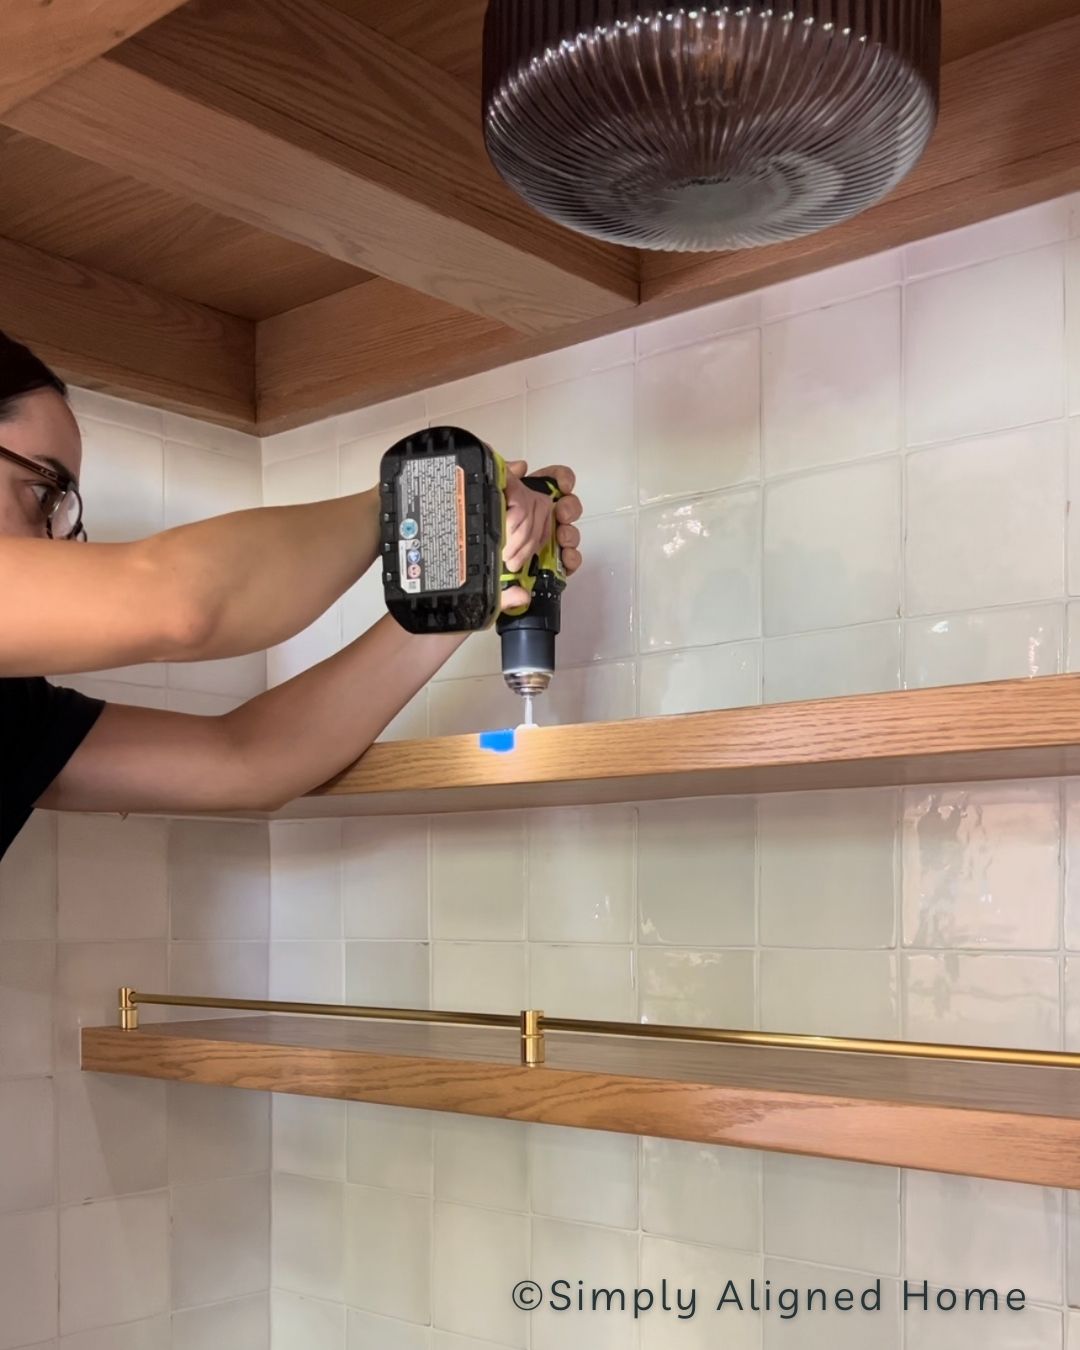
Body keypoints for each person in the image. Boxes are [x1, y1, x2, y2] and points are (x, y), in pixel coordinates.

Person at [0, 333, 583, 860]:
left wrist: (462, 584)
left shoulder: (15, 710)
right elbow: (183, 603)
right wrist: (424, 493)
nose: (56, 540)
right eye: (44, 492)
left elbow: (248, 759)